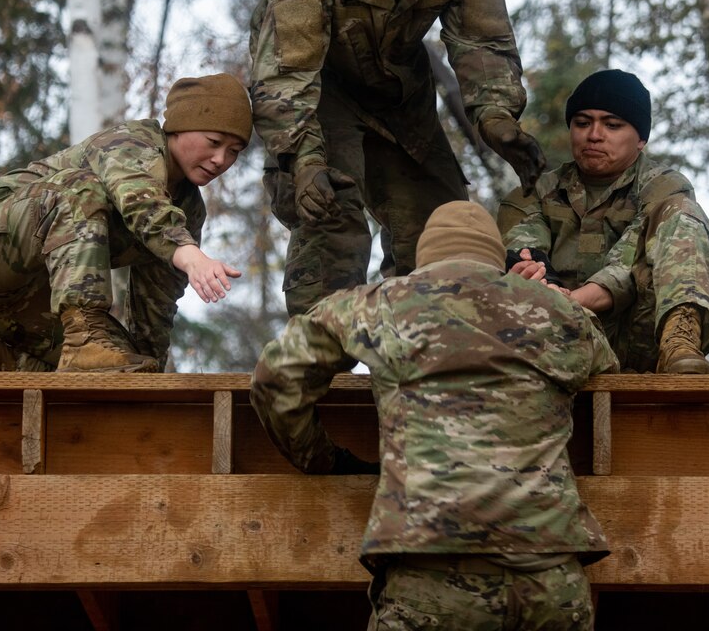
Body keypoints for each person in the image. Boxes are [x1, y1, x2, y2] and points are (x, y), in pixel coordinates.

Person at [251, 201, 615, 630]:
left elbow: (278, 376)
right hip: (551, 578)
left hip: (433, 575)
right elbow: (605, 365)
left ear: (426, 256)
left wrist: (321, 459)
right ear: (494, 254)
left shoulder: (379, 302)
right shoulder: (559, 312)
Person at [249, 0, 545, 317]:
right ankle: (320, 360)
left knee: (443, 222)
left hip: (401, 93)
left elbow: (479, 37)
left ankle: (433, 350)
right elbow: (286, 77)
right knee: (330, 209)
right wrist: (303, 160)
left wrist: (496, 116)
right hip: (320, 93)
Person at [0, 73, 251, 374]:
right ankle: (83, 339)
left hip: (33, 289)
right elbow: (143, 204)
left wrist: (150, 370)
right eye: (213, 142)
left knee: (121, 364)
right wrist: (190, 255)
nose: (221, 160)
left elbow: (156, 303)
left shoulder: (188, 211)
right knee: (81, 188)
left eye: (234, 151)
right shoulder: (132, 144)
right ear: (179, 127)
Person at [500, 69, 709, 374]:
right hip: (557, 336)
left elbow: (627, 269)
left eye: (612, 125)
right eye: (582, 123)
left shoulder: (663, 188)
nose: (594, 135)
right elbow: (524, 249)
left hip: (638, 341)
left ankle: (680, 341)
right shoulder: (534, 192)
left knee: (682, 213)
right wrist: (536, 279)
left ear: (641, 139)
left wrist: (571, 300)